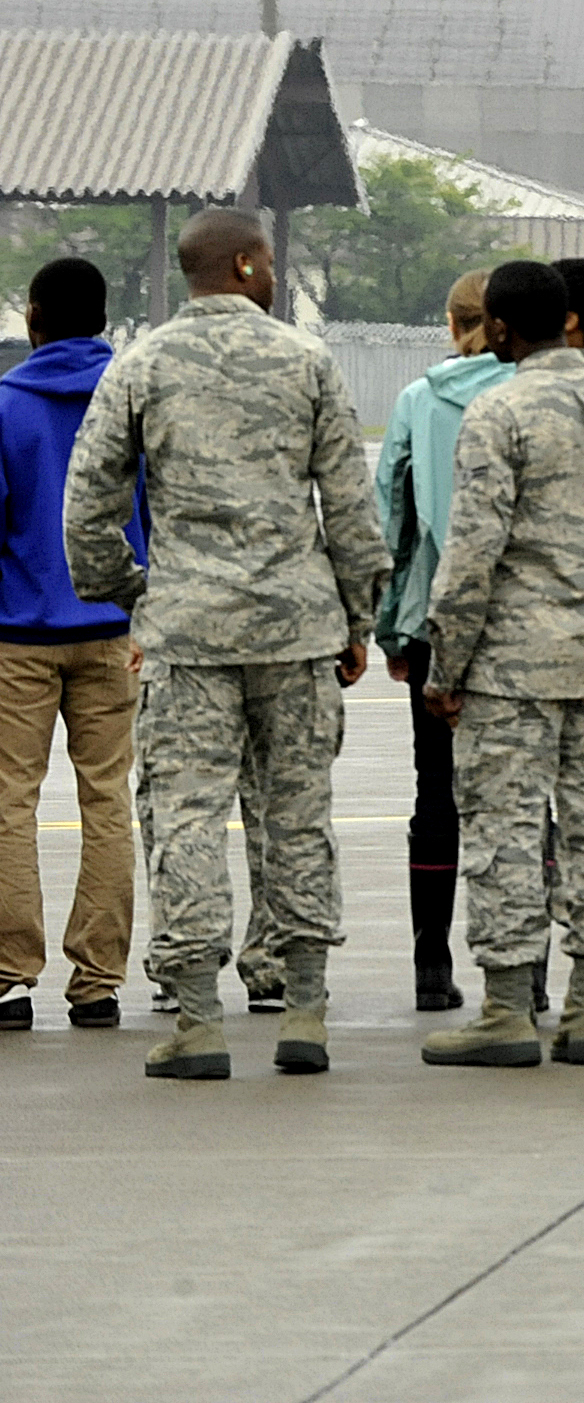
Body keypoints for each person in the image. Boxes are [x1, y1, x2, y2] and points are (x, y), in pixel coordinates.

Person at [63, 209, 388, 1080]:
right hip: (296, 630)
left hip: (189, 634)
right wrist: (355, 616)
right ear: (245, 265)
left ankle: (198, 1022)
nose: (274, 273)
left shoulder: (142, 365)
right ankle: (304, 1010)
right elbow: (351, 508)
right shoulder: (307, 361)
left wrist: (136, 593)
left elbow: (88, 505)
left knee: (188, 817)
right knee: (297, 816)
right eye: (270, 261)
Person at [416, 260, 584, 1069]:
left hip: (512, 670)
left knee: (504, 830)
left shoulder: (498, 413)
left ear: (499, 328)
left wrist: (446, 666)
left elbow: (471, 555)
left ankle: (506, 1009)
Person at [0, 258, 141, 1032]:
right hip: (112, 631)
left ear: (34, 315)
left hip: (17, 634)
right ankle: (98, 980)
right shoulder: (130, 400)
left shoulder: (5, 407)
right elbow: (150, 513)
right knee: (107, 799)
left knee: (10, 801)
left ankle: (10, 975)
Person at [373, 267, 510, 1013]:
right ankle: (529, 966)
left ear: (452, 325)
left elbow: (390, 518)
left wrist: (391, 625)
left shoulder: (419, 401)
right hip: (525, 625)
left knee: (437, 792)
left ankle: (433, 964)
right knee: (528, 797)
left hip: (435, 620)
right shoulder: (532, 396)